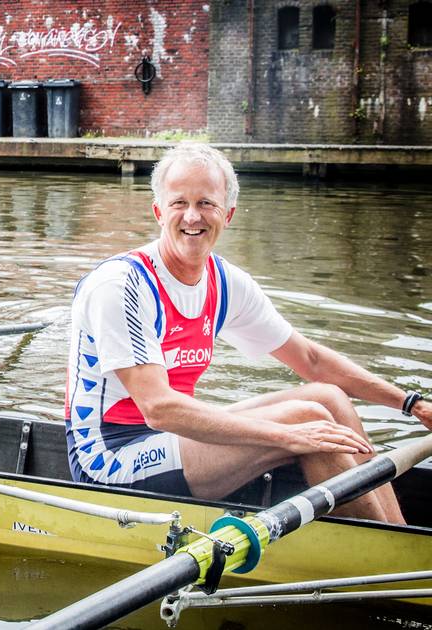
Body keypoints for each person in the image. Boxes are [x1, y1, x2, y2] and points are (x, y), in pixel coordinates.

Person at [65, 143, 430, 524]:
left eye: (206, 203)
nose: (192, 216)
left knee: (329, 398)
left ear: (228, 214)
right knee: (303, 417)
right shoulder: (121, 285)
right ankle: (376, 562)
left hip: (171, 437)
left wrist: (413, 405)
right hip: (110, 457)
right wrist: (285, 436)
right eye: (179, 203)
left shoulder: (225, 282)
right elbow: (159, 408)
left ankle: (395, 532)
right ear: (159, 212)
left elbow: (310, 360)